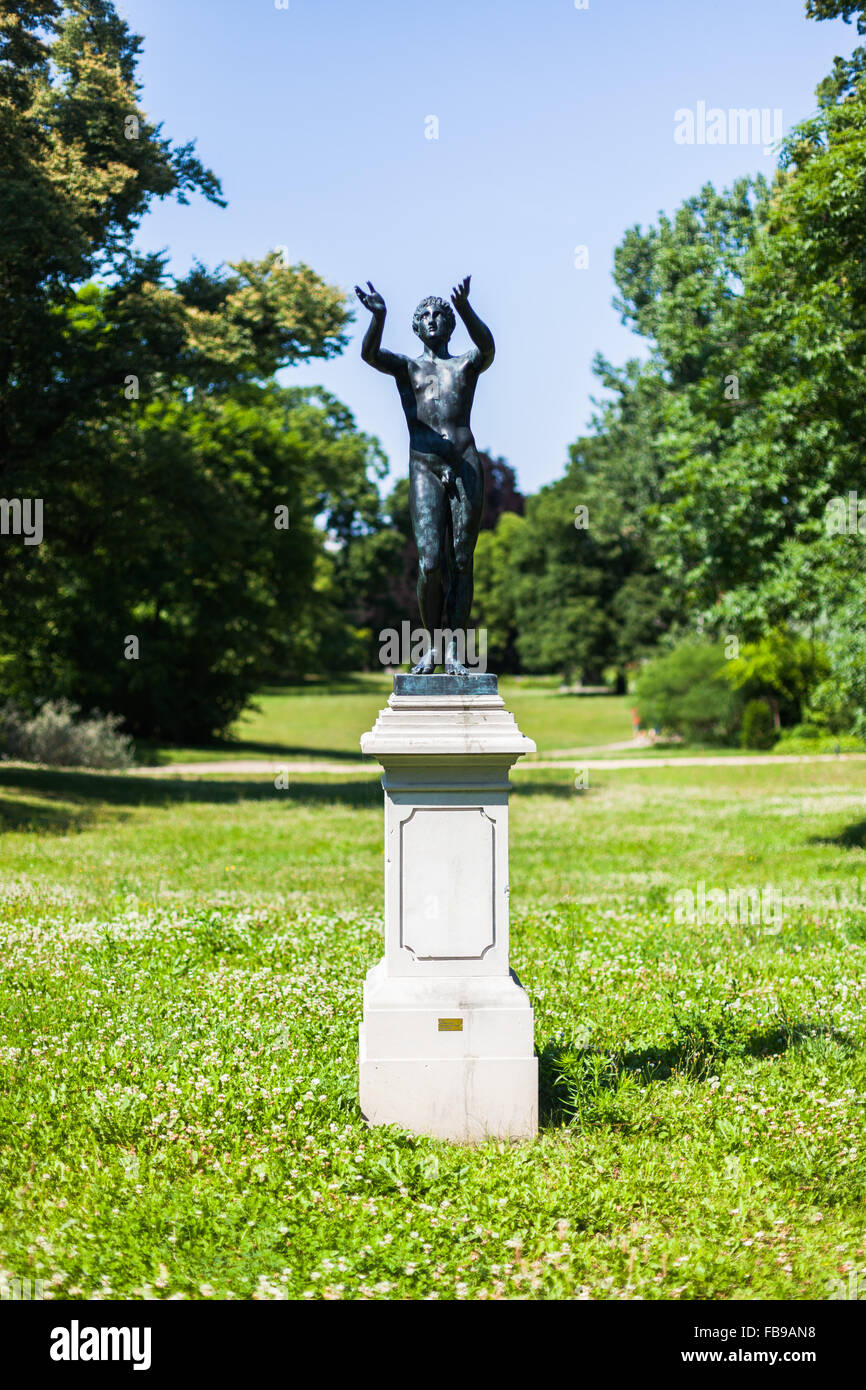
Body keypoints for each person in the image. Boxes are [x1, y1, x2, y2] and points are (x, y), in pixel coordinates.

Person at [354, 275, 494, 674]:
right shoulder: (409, 368)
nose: (432, 320)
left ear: (448, 324)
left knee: (462, 560)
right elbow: (370, 355)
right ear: (416, 326)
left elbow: (487, 347)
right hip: (425, 466)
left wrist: (465, 307)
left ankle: (453, 650)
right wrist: (378, 317)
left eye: (439, 315)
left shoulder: (465, 365)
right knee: (431, 562)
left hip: (464, 462)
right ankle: (433, 645)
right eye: (425, 316)